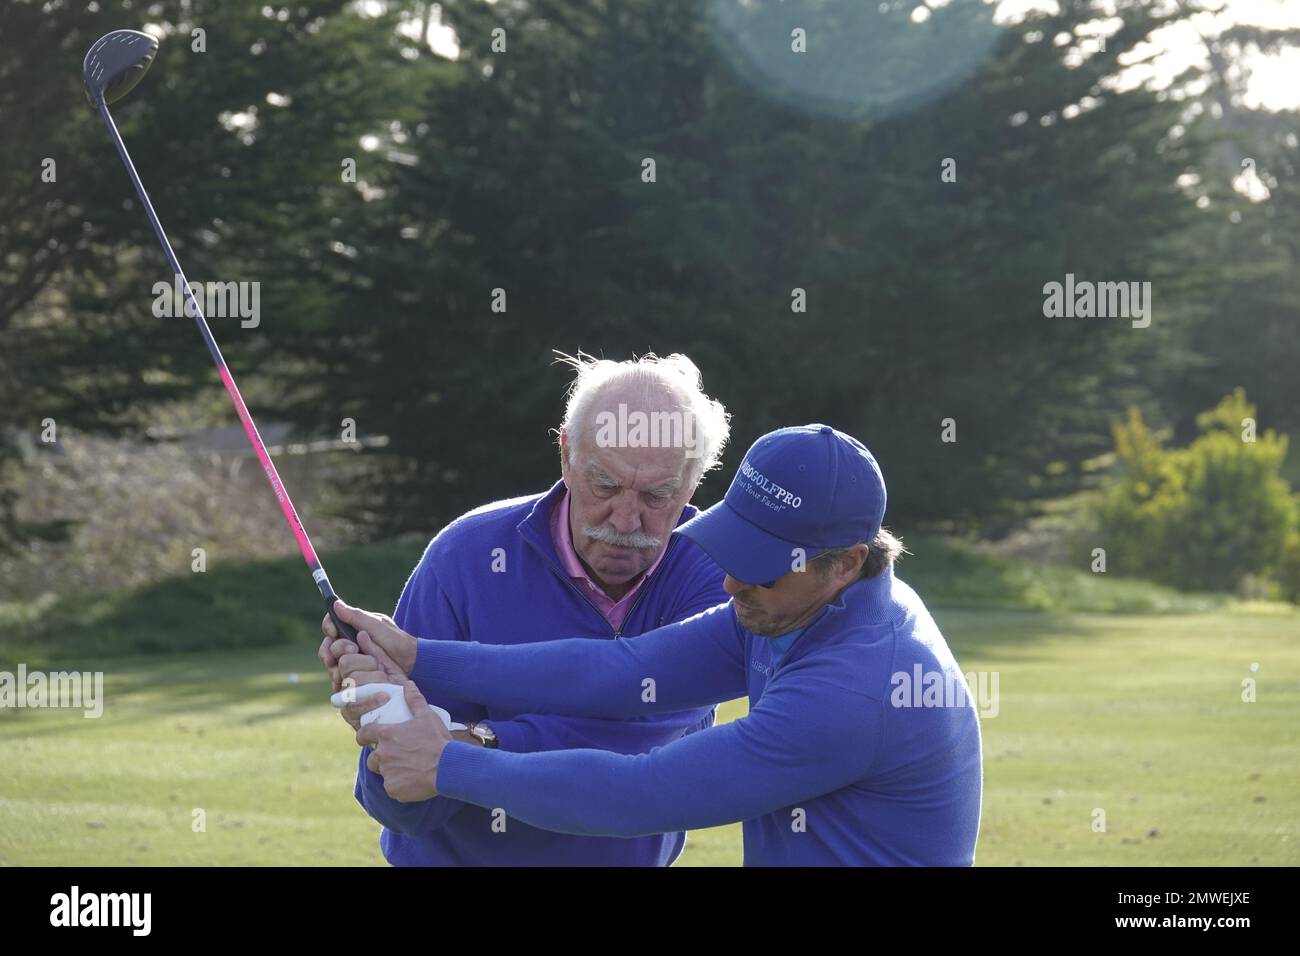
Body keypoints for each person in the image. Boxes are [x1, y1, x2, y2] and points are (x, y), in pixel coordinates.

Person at [338, 424, 984, 866]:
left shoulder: (854, 688)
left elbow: (639, 793)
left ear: (844, 563)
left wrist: (450, 763)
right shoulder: (797, 608)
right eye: (734, 550)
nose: (731, 581)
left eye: (759, 565)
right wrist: (417, 653)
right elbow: (622, 670)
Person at [319, 352, 732, 866]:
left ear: (694, 482)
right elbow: (407, 812)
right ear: (566, 454)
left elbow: (635, 750)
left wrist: (460, 747)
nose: (626, 520)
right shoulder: (464, 558)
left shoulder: (719, 577)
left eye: (657, 495)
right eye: (604, 485)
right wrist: (386, 716)